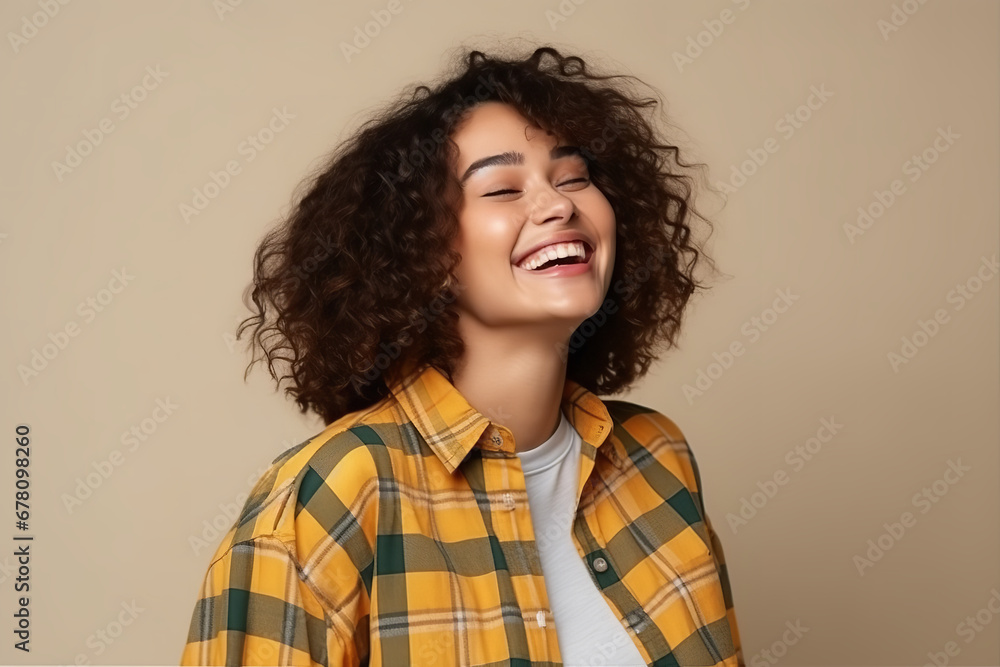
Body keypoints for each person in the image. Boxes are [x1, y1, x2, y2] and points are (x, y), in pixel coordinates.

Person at [180, 42, 744, 667]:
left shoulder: (658, 457)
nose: (558, 205)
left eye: (574, 177)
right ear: (421, 254)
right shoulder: (327, 499)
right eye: (502, 189)